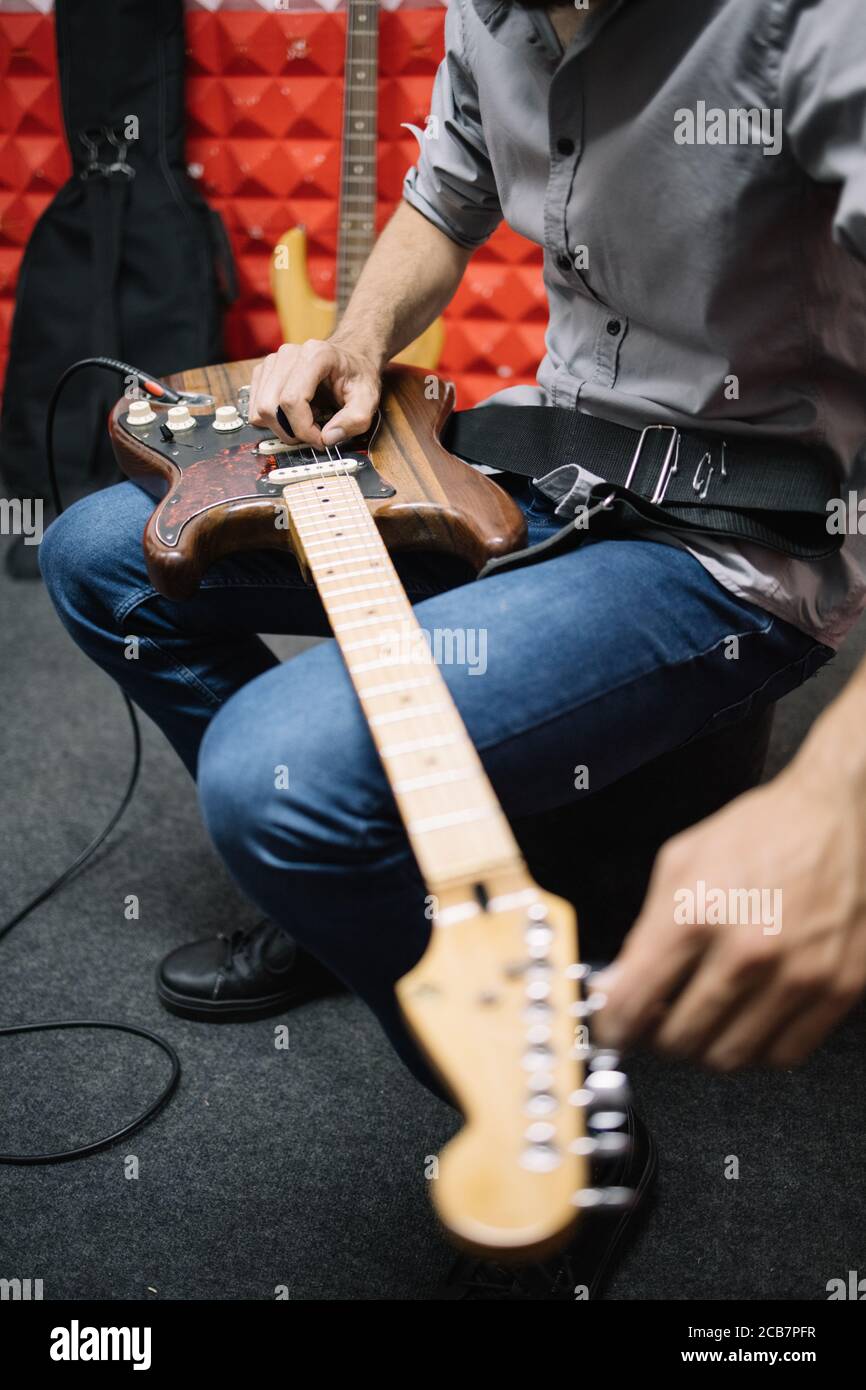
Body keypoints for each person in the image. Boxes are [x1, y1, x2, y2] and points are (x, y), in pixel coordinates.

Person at [39, 0, 866, 1085]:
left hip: (726, 537)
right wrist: (356, 342)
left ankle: (554, 1120)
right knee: (95, 557)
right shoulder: (490, 16)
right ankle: (357, 899)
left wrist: (837, 799)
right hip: (553, 463)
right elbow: (439, 204)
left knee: (272, 780)